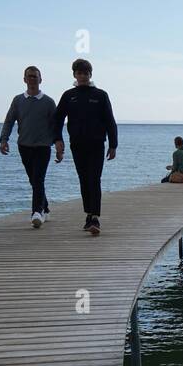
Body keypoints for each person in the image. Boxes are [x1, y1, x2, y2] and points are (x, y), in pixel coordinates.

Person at [53, 58, 117, 236]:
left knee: (94, 179)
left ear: (90, 74)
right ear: (74, 74)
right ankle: (88, 214)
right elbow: (57, 119)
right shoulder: (68, 96)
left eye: (85, 73)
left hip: (96, 143)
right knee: (84, 179)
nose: (82, 76)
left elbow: (110, 121)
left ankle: (95, 217)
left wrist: (113, 145)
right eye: (79, 73)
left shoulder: (100, 95)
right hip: (77, 144)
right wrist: (58, 140)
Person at [0, 66, 58, 229]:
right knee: (34, 180)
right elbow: (9, 120)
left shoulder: (48, 102)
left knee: (38, 178)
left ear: (40, 79)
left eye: (35, 77)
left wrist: (58, 144)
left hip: (43, 147)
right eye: (29, 77)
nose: (32, 79)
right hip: (24, 146)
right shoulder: (18, 100)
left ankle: (36, 213)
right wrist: (4, 139)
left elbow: (55, 125)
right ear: (24, 79)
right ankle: (44, 207)